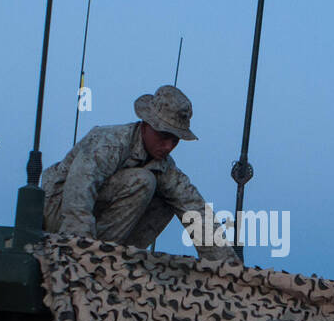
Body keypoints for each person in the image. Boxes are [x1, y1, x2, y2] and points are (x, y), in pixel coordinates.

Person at [41, 85, 237, 260]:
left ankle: (115, 258)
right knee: (143, 181)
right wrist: (79, 246)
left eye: (175, 140)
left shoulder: (164, 166)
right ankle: (92, 256)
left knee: (168, 198)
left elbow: (194, 210)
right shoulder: (110, 143)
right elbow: (79, 188)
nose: (168, 146)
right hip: (58, 210)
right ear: (145, 125)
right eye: (164, 136)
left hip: (93, 221)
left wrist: (229, 268)